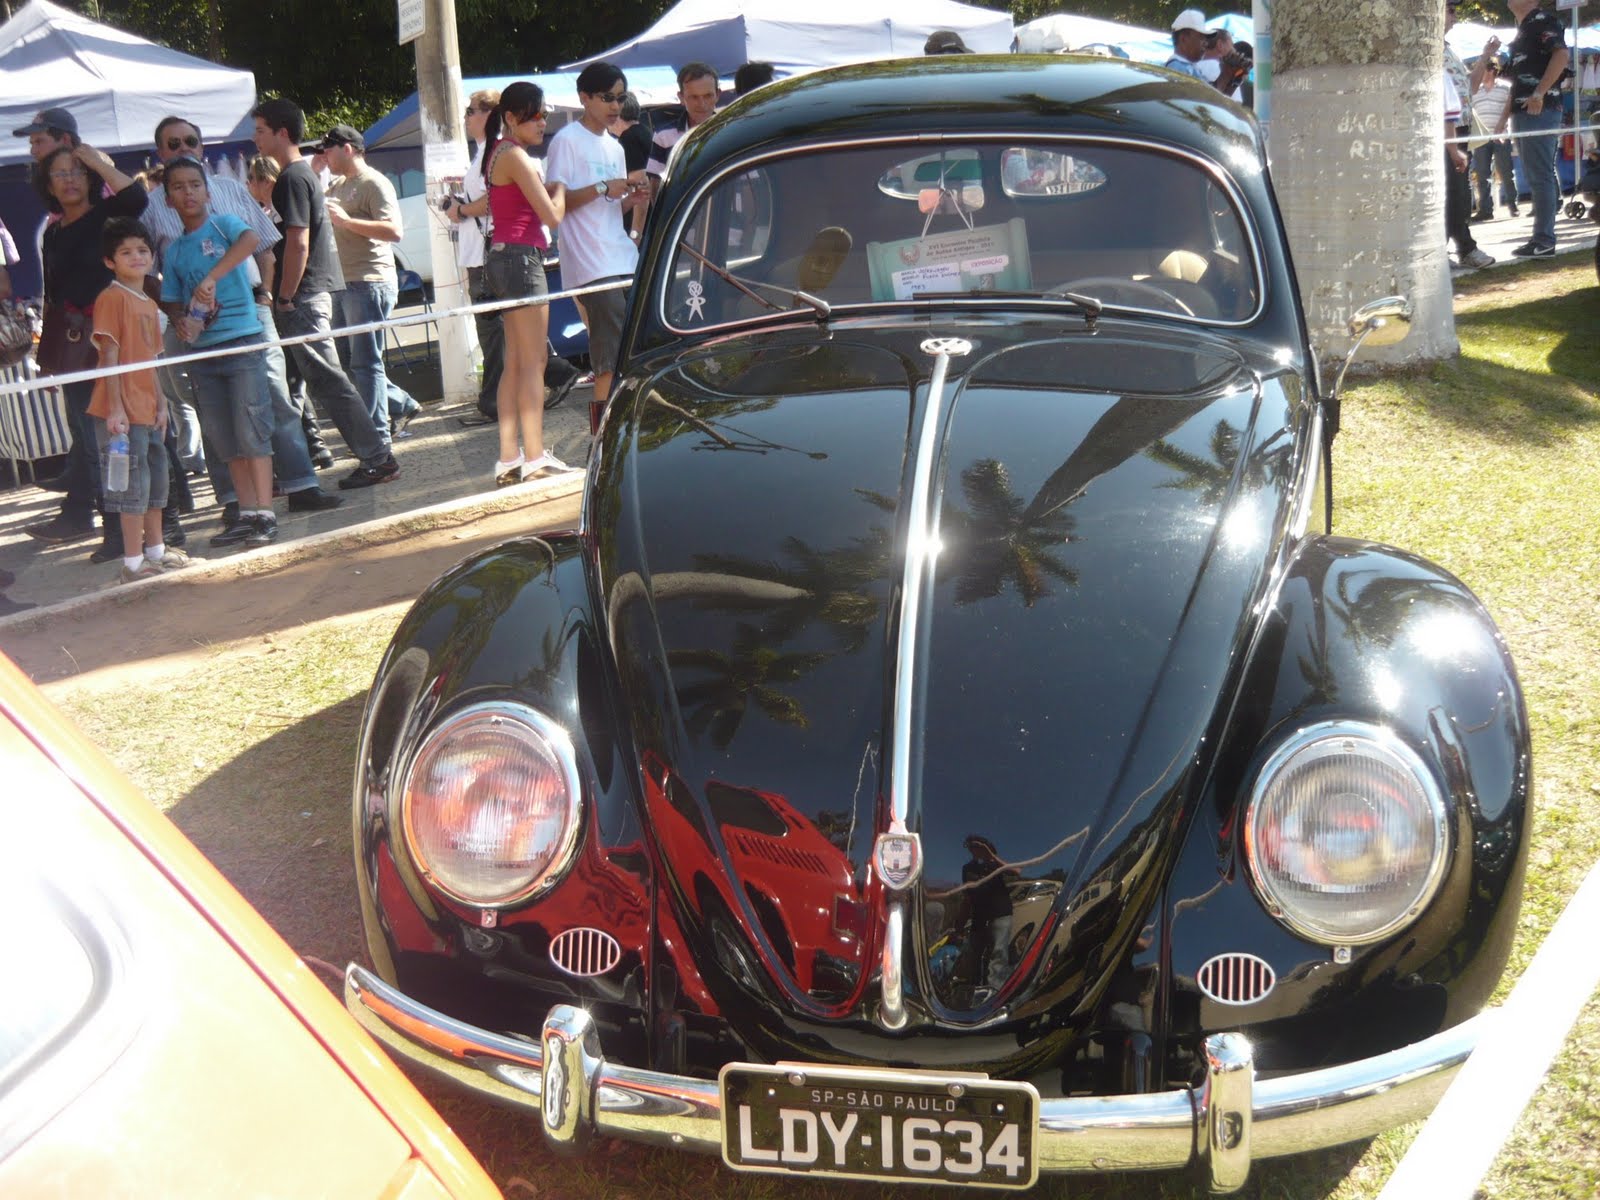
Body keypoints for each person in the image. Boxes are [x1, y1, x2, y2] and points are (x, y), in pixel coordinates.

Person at [144, 116, 342, 524]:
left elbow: (266, 245)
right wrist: (177, 313)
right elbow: (148, 271)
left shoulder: (232, 190)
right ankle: (237, 503)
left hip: (250, 310)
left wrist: (267, 298)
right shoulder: (153, 207)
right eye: (173, 143)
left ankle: (302, 486)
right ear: (161, 153)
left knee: (276, 399)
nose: (183, 148)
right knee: (214, 414)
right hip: (194, 323)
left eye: (190, 140)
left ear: (201, 147)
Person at [251, 98, 399, 488]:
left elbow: (298, 242)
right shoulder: (298, 176)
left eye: (261, 130)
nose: (255, 139)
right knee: (300, 385)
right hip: (310, 292)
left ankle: (377, 457)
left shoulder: (292, 179)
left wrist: (284, 296)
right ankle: (296, 465)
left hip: (304, 294)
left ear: (282, 133)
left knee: (330, 381)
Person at [25, 141, 150, 562]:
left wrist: (90, 157)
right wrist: (48, 362)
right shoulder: (53, 231)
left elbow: (136, 197)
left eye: (76, 172)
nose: (69, 180)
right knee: (89, 438)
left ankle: (135, 529)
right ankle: (107, 522)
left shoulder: (107, 219)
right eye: (59, 174)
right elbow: (53, 297)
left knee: (125, 435)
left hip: (118, 342)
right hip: (75, 347)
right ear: (47, 184)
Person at [158, 157, 278, 549]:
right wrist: (181, 320)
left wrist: (213, 277)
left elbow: (251, 241)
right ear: (168, 198)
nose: (188, 192)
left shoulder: (223, 225)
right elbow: (172, 298)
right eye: (178, 187)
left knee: (252, 429)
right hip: (203, 352)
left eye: (194, 184)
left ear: (208, 191)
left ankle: (266, 513)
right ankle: (246, 512)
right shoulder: (174, 251)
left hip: (242, 341)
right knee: (225, 438)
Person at [546, 63, 649, 430]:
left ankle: (626, 430)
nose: (615, 106)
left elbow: (608, 208)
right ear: (584, 98)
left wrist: (631, 199)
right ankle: (602, 439)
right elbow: (555, 205)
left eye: (620, 98)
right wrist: (606, 187)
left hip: (622, 257)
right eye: (607, 98)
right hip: (591, 264)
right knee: (608, 357)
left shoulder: (615, 146)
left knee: (633, 349)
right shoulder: (565, 141)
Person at [480, 81, 572, 485]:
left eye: (545, 115)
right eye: (535, 116)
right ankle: (534, 456)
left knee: (515, 363)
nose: (542, 123)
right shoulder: (514, 154)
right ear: (513, 118)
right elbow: (552, 216)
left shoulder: (498, 152)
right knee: (532, 363)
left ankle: (509, 457)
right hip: (521, 258)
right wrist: (562, 187)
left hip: (505, 258)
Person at [88, 218, 190, 582]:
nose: (136, 257)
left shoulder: (148, 301)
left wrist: (162, 403)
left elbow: (153, 360)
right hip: (121, 410)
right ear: (109, 261)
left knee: (156, 483)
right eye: (126, 252)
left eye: (143, 251)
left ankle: (157, 551)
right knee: (131, 487)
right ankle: (132, 563)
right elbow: (109, 356)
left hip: (149, 408)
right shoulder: (111, 297)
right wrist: (116, 407)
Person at [321, 124, 421, 440]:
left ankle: (377, 436)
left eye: (328, 148)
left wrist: (347, 221)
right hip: (343, 283)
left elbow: (394, 231)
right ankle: (401, 405)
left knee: (365, 364)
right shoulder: (336, 184)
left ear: (346, 148)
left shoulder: (374, 183)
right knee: (351, 364)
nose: (324, 155)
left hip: (369, 281)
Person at [443, 90, 505, 423]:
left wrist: (461, 209)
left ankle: (492, 403)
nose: (466, 117)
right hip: (480, 252)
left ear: (490, 113)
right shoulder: (484, 152)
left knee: (492, 333)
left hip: (488, 253)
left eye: (471, 111)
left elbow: (495, 200)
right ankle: (555, 373)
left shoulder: (492, 152)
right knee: (498, 331)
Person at [1506, 0, 1570, 257]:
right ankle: (1541, 238)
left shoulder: (1543, 20)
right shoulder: (1523, 28)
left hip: (1539, 109)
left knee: (1540, 174)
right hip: (1524, 110)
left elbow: (1562, 54)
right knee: (1535, 175)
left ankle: (1544, 240)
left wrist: (1539, 92)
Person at [1445, 4, 1495, 269]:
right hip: (1445, 132)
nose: (1454, 17)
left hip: (1460, 130)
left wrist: (1486, 56)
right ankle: (1464, 249)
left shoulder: (1449, 50)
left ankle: (1458, 250)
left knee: (1458, 193)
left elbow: (1471, 86)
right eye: (1449, 10)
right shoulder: (1429, 53)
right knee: (1452, 192)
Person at [646, 63, 720, 187]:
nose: (702, 104)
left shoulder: (731, 130)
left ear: (717, 95)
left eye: (708, 96)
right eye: (694, 97)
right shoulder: (664, 136)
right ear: (681, 97)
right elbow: (656, 186)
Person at [1470, 53, 1518, 220]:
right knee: (1482, 174)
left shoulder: (1506, 87)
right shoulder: (1475, 90)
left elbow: (1511, 110)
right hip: (1481, 137)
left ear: (1491, 70)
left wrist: (1505, 128)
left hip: (1501, 136)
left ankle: (1513, 204)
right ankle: (1486, 209)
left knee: (1506, 172)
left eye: (1481, 69)